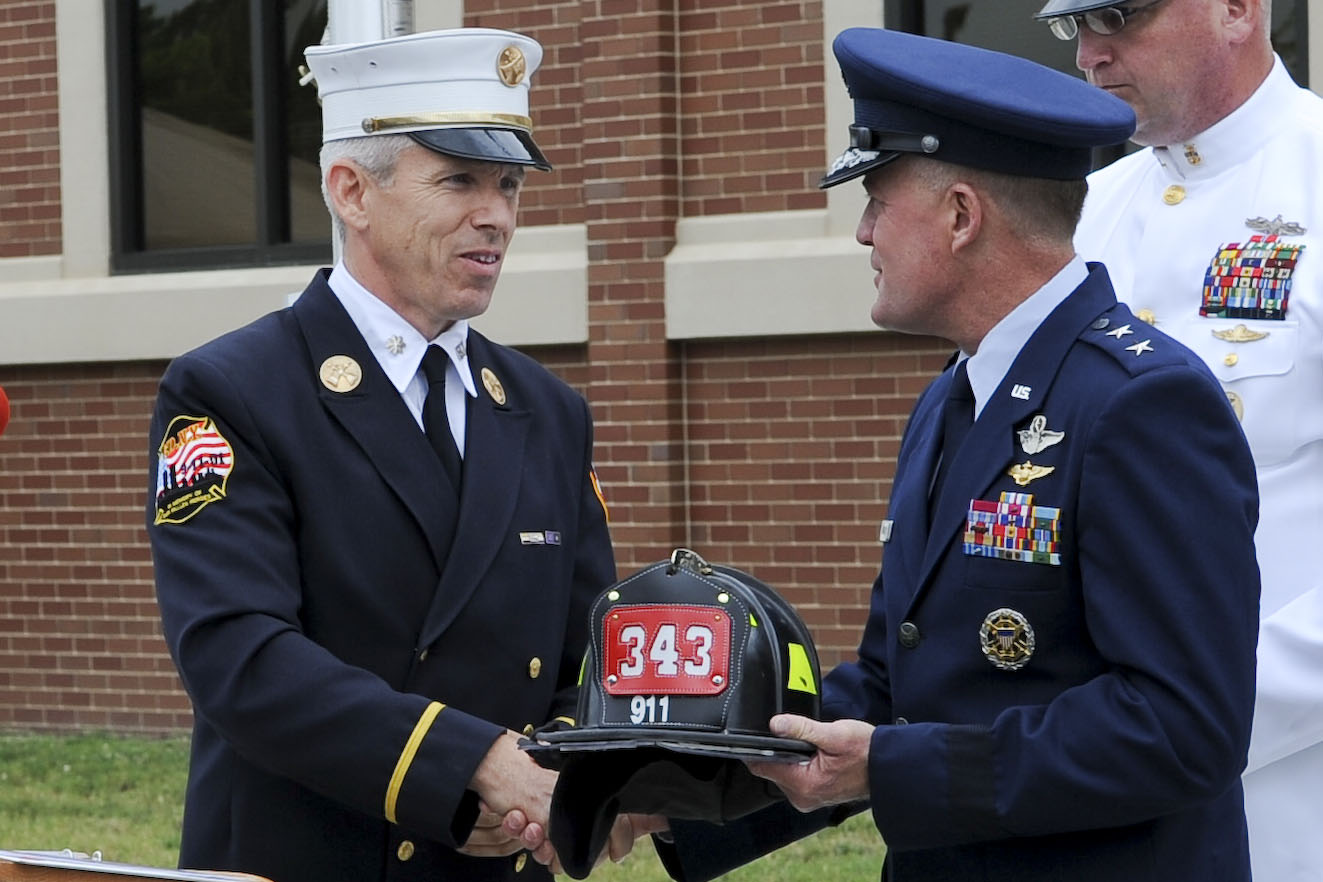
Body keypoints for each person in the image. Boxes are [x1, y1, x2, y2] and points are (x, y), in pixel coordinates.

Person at [649, 27, 1262, 882]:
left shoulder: (1141, 404)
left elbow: (1181, 727)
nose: (863, 233)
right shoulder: (954, 396)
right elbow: (896, 686)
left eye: (876, 200)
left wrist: (894, 766)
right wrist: (681, 796)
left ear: (961, 216)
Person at [145, 28, 617, 882]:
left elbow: (583, 658)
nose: (498, 216)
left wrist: (546, 789)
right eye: (460, 181)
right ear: (352, 192)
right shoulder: (232, 391)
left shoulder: (548, 411)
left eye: (508, 185)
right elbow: (238, 657)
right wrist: (465, 765)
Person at [1031, 2, 1323, 879]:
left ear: (1236, 8)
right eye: (1071, 24)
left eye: (1116, 15)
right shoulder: (1081, 216)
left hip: (1286, 795)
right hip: (1081, 786)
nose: (1088, 54)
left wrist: (1184, 722)